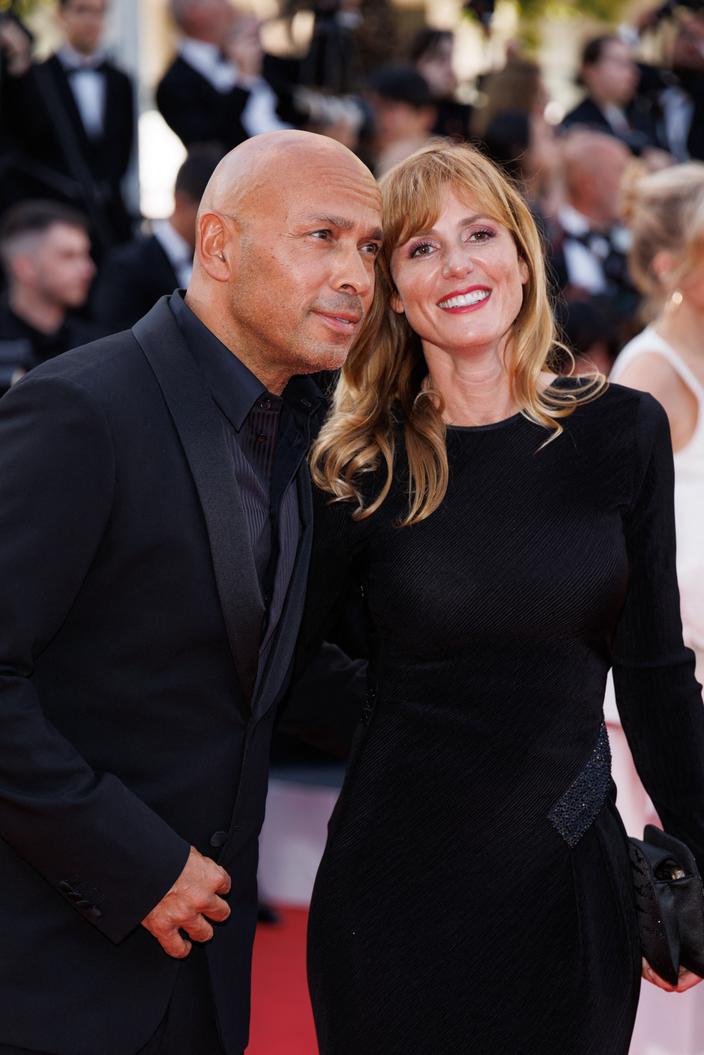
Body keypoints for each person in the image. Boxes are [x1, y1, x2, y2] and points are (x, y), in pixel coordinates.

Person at [295, 141, 704, 1054]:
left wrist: (700, 842)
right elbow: (284, 660)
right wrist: (397, 715)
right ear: (395, 292)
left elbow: (655, 673)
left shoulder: (619, 432)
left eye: (480, 233)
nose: (458, 264)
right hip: (396, 887)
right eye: (420, 248)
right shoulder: (361, 466)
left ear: (522, 256)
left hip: (568, 876)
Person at [0, 129, 381, 1055]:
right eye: (322, 237)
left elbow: (256, 674)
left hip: (204, 992)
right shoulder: (81, 408)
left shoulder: (293, 427)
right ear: (218, 245)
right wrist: (136, 865)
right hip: (55, 981)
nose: (358, 277)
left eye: (369, 247)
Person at [0, 0, 136, 256]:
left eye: (99, 12)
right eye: (82, 10)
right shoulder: (34, 79)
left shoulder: (121, 81)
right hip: (53, 221)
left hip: (110, 224)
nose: (91, 21)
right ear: (61, 15)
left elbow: (122, 154)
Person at [92, 146, 221, 333]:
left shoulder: (221, 262)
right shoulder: (127, 266)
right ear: (181, 203)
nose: (221, 227)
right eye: (214, 216)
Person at [156, 1, 301, 156]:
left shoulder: (255, 54)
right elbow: (212, 142)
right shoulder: (174, 85)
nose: (229, 6)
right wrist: (243, 82)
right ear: (196, 14)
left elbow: (297, 93)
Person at [548, 128, 638, 372]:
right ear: (589, 183)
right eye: (620, 172)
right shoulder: (548, 245)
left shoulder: (635, 237)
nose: (631, 186)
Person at [0, 199, 97, 395]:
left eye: (85, 254)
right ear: (25, 267)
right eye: (68, 256)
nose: (88, 269)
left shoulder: (93, 346)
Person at [561, 34, 664, 157]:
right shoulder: (575, 123)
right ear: (589, 70)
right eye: (621, 63)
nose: (634, 72)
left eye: (633, 64)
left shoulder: (641, 114)